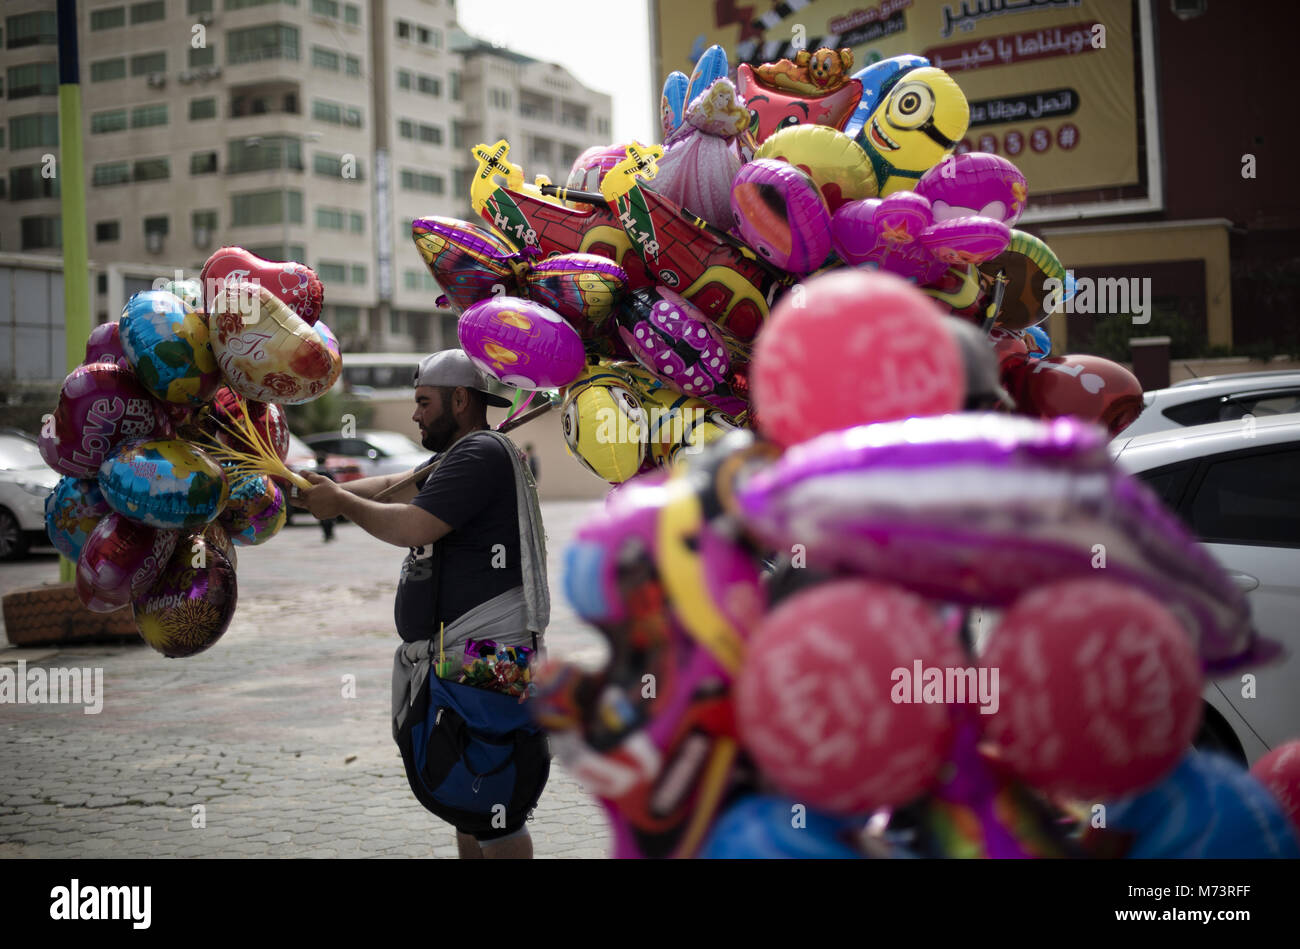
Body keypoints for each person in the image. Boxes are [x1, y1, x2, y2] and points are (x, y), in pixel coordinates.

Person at [296, 349, 550, 859]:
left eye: (423, 402)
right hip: (466, 655)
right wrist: (308, 490)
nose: (414, 414)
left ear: (460, 400)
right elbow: (391, 490)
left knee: (492, 794)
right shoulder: (457, 458)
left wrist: (342, 504)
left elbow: (414, 524)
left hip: (487, 657)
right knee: (465, 795)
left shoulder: (480, 454)